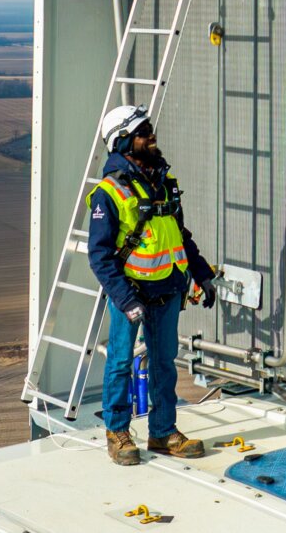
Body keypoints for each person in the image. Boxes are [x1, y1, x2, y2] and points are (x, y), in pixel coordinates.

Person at [87, 104, 219, 466]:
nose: (151, 135)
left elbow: (180, 235)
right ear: (124, 141)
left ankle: (162, 432)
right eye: (142, 131)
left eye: (148, 129)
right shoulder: (109, 192)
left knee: (163, 364)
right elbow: (99, 256)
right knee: (119, 364)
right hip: (131, 293)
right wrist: (125, 299)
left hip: (168, 289)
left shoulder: (164, 183)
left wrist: (202, 274)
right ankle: (117, 434)